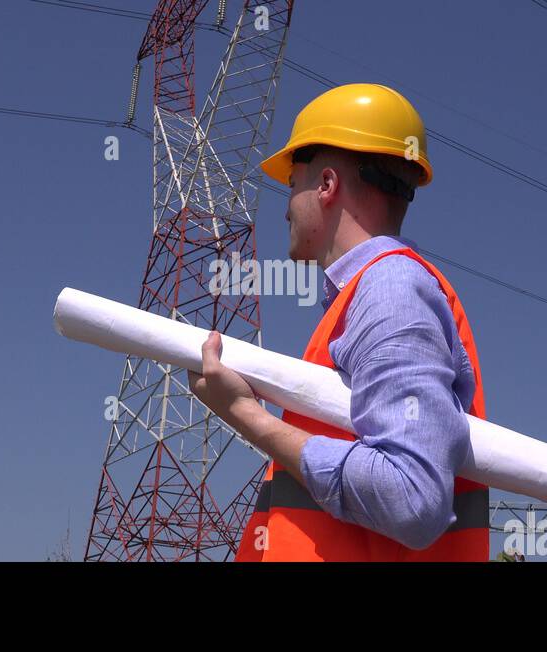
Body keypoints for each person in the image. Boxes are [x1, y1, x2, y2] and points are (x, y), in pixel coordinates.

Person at [188, 83, 490, 561]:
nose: (285, 207)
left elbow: (413, 499)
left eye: (292, 186)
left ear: (326, 185)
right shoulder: (368, 294)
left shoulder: (390, 288)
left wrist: (245, 415)